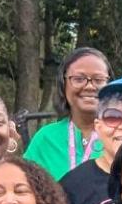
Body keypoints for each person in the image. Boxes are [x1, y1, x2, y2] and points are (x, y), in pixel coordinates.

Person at [25, 47, 109, 181]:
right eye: (79, 79)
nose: (89, 86)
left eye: (98, 80)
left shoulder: (120, 137)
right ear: (63, 84)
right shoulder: (45, 139)